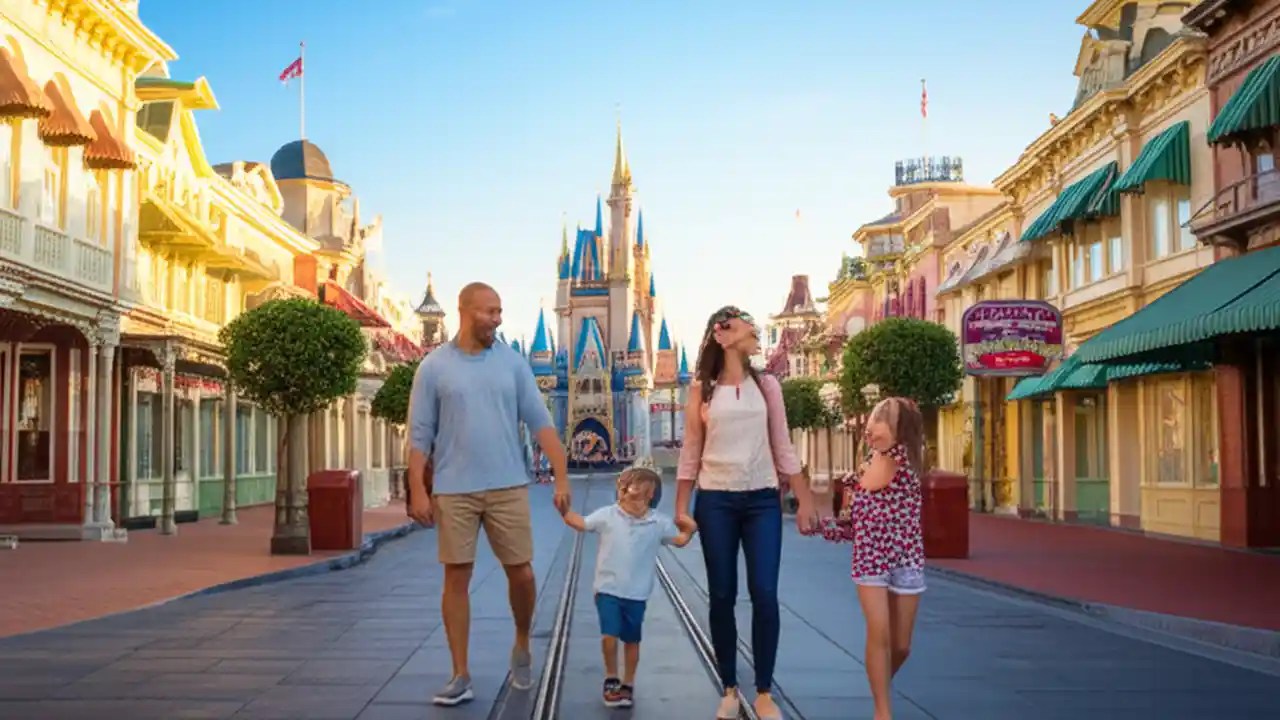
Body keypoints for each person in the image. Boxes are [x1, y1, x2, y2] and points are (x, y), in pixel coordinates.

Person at [406, 282, 571, 707]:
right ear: (466, 311)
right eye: (490, 311)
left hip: (507, 485)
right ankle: (460, 673)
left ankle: (521, 641)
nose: (498, 319)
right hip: (453, 489)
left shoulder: (513, 365)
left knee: (524, 574)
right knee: (456, 578)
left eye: (500, 312)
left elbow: (541, 421)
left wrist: (562, 475)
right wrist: (416, 491)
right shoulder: (434, 368)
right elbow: (420, 434)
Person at [673, 305, 816, 720]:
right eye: (746, 326)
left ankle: (765, 691)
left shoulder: (767, 385)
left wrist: (805, 501)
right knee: (721, 595)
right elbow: (691, 453)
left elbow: (783, 446)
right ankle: (729, 688)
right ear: (724, 334)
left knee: (765, 594)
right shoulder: (702, 389)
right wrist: (681, 508)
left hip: (761, 500)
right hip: (715, 500)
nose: (755, 332)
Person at [559, 466, 696, 708]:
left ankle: (628, 683)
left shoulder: (658, 522)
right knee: (609, 636)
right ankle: (612, 677)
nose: (627, 494)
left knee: (632, 640)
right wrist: (564, 511)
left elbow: (680, 540)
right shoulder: (608, 515)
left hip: (637, 592)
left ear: (650, 495)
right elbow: (581, 523)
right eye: (623, 489)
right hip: (607, 589)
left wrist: (690, 528)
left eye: (634, 490)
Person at [850, 397, 926, 720]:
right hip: (870, 558)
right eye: (870, 423)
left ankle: (878, 681)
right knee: (878, 634)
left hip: (907, 556)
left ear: (900, 430)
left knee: (901, 646)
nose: (871, 430)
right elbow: (858, 520)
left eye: (880, 423)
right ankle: (883, 711)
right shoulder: (869, 460)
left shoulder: (904, 458)